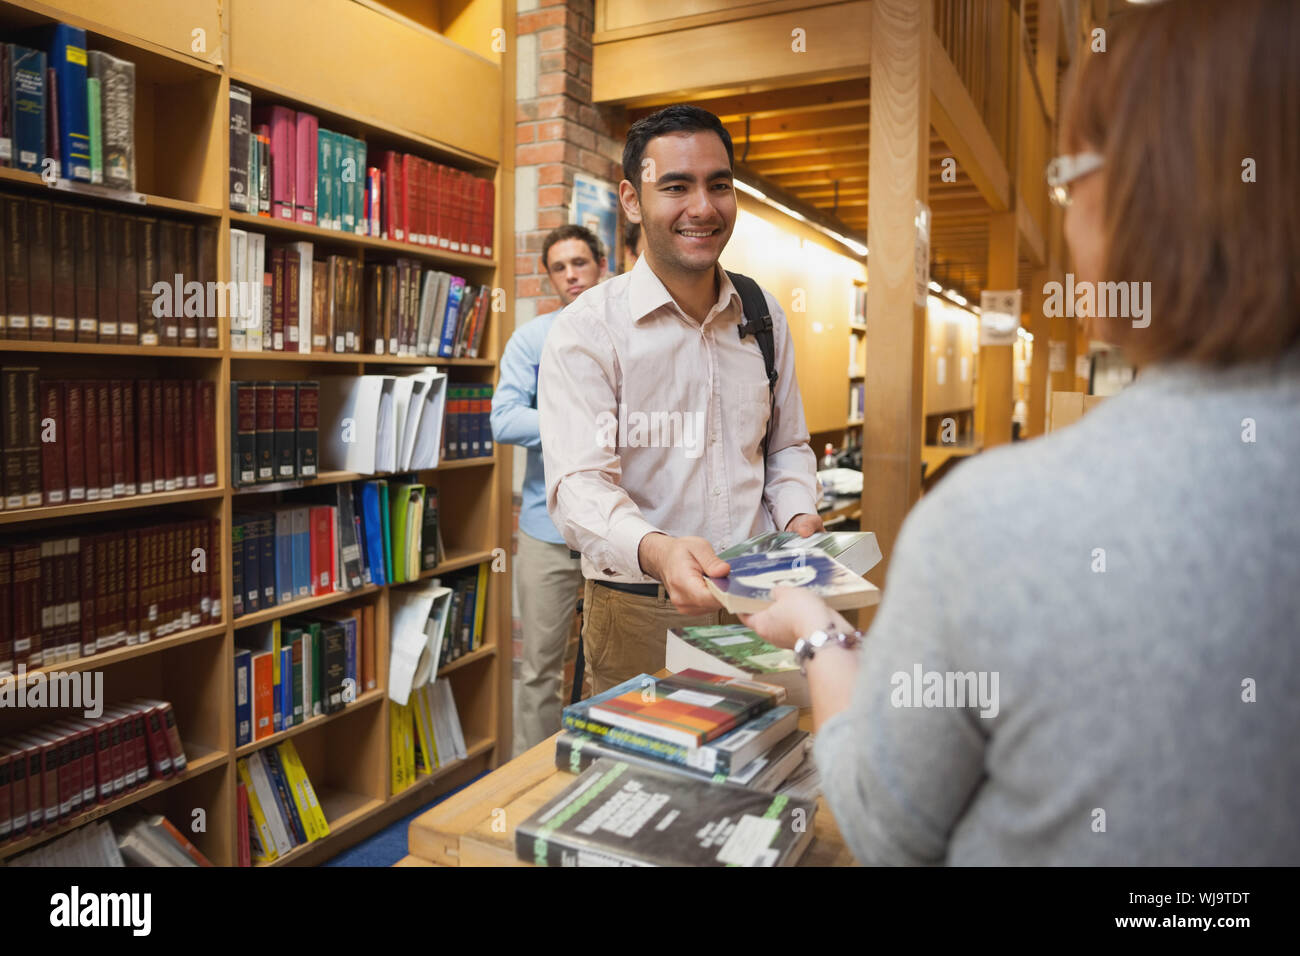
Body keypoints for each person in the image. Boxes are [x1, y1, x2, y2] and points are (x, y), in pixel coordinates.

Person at [742, 0, 1300, 865]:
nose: (1067, 202)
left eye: (1070, 172)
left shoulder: (994, 522)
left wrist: (817, 634)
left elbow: (884, 825)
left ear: (1137, 196)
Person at [538, 104, 824, 694]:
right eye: (676, 186)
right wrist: (659, 552)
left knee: (765, 768)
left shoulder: (764, 316)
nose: (703, 207)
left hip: (758, 596)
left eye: (719, 185)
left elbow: (787, 446)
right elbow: (577, 486)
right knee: (643, 778)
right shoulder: (588, 328)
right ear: (632, 200)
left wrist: (797, 512)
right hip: (643, 610)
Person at [492, 223, 606, 755]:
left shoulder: (623, 331)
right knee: (539, 670)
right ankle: (526, 791)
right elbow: (504, 421)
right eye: (558, 268)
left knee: (613, 670)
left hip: (615, 534)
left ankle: (604, 778)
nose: (570, 276)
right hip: (545, 530)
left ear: (599, 265)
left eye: (578, 263)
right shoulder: (532, 339)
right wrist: (573, 422)